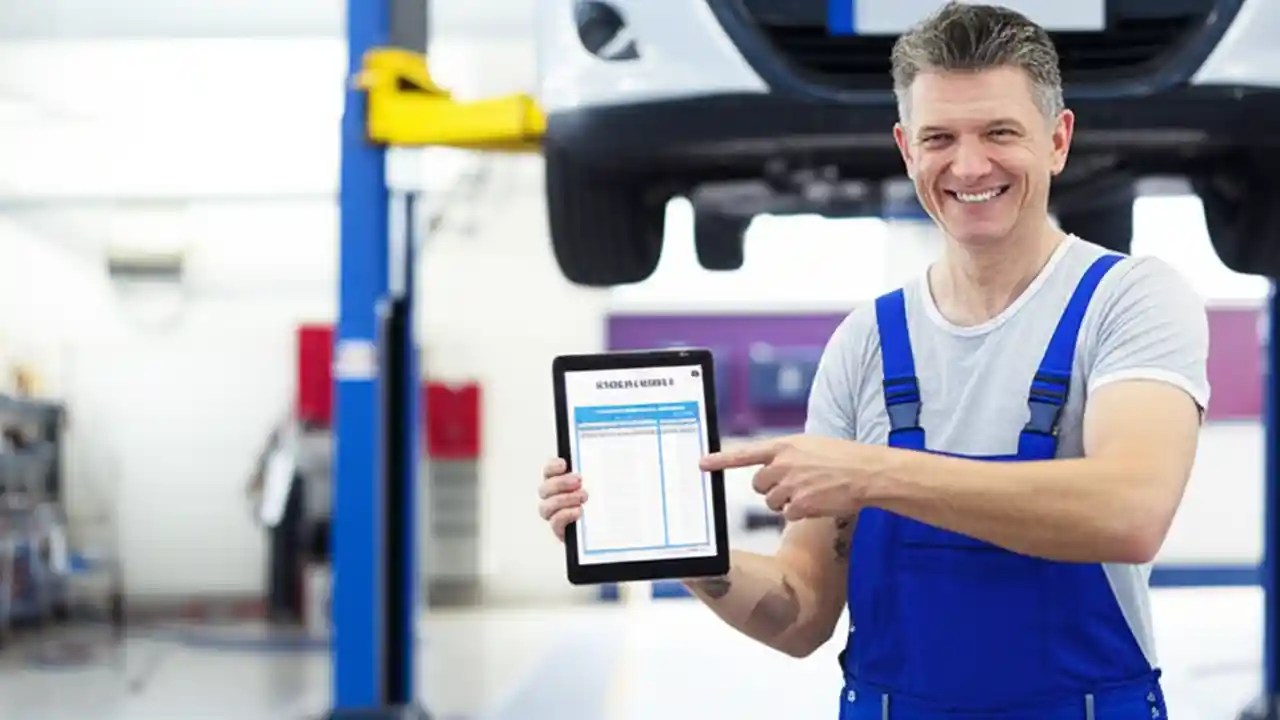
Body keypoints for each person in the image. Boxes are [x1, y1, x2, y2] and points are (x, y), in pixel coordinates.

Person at [538, 3, 1209, 717]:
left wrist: (869, 474)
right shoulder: (867, 343)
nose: (969, 165)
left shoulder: (1129, 300)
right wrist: (680, 547)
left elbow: (1129, 512)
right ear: (906, 149)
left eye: (1000, 133)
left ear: (1057, 140)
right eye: (939, 137)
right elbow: (798, 613)